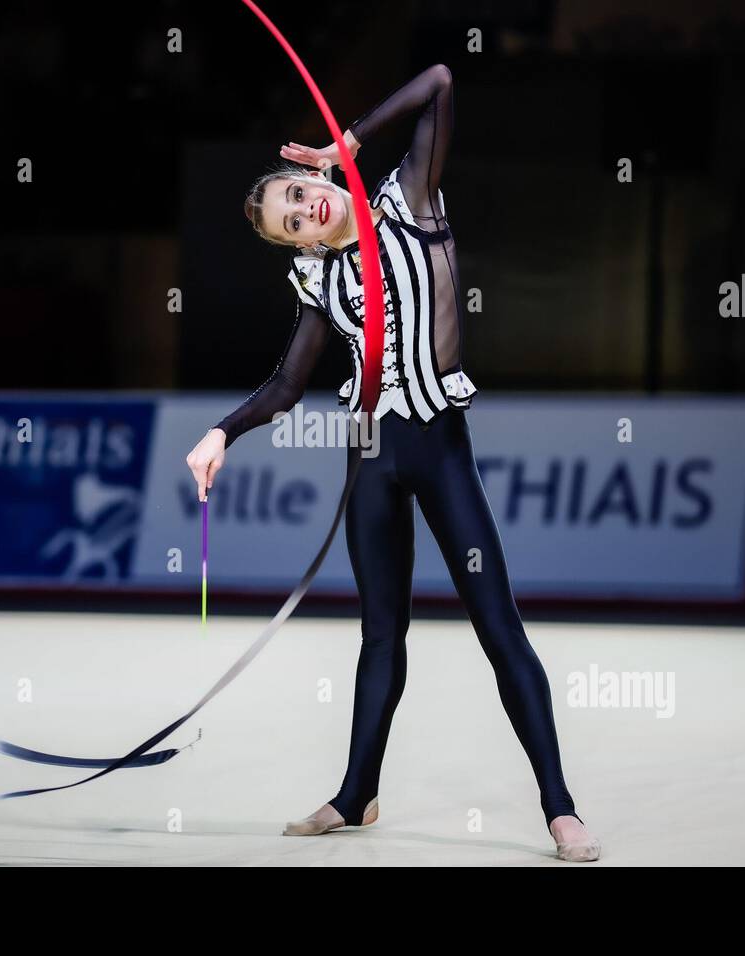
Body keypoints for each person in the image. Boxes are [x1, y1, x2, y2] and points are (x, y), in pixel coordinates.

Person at [185, 65, 600, 862]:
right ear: (294, 245)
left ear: (314, 177)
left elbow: (441, 81)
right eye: (291, 222)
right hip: (372, 456)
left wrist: (349, 140)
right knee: (382, 632)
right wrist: (222, 433)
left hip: (439, 448)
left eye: (299, 194)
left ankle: (560, 808)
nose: (308, 211)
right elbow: (285, 384)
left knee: (496, 625)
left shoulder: (405, 199)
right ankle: (356, 795)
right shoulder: (323, 277)